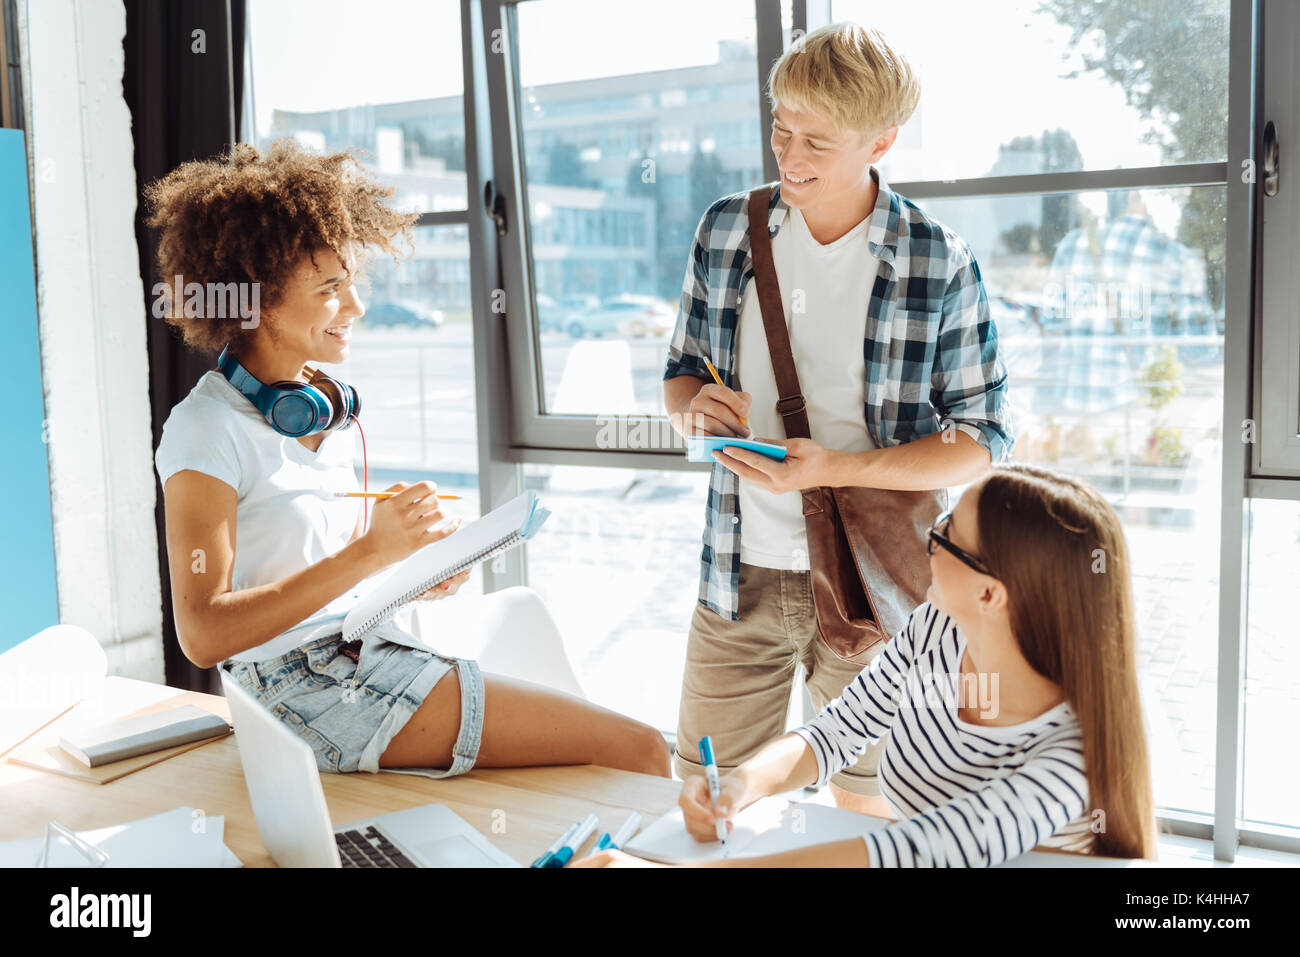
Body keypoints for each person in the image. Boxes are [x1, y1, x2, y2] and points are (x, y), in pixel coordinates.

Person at [149, 140, 670, 783]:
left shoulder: (318, 410)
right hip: (301, 688)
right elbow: (202, 633)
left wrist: (409, 568)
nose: (358, 308)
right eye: (331, 289)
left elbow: (320, 583)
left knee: (618, 754)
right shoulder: (205, 431)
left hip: (363, 651)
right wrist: (368, 553)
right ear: (254, 300)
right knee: (642, 751)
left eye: (353, 283)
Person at [663, 22, 1012, 816]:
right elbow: (679, 376)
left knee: (876, 814)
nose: (790, 156)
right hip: (735, 581)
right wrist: (696, 408)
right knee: (704, 803)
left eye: (817, 139)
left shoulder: (937, 259)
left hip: (881, 595)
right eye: (781, 129)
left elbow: (982, 442)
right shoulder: (726, 231)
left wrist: (832, 468)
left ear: (881, 140)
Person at [575, 464, 1158, 867]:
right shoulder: (936, 630)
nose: (928, 537)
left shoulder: (1071, 759)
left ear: (990, 594)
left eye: (946, 536)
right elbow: (837, 731)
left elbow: (919, 851)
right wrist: (740, 787)